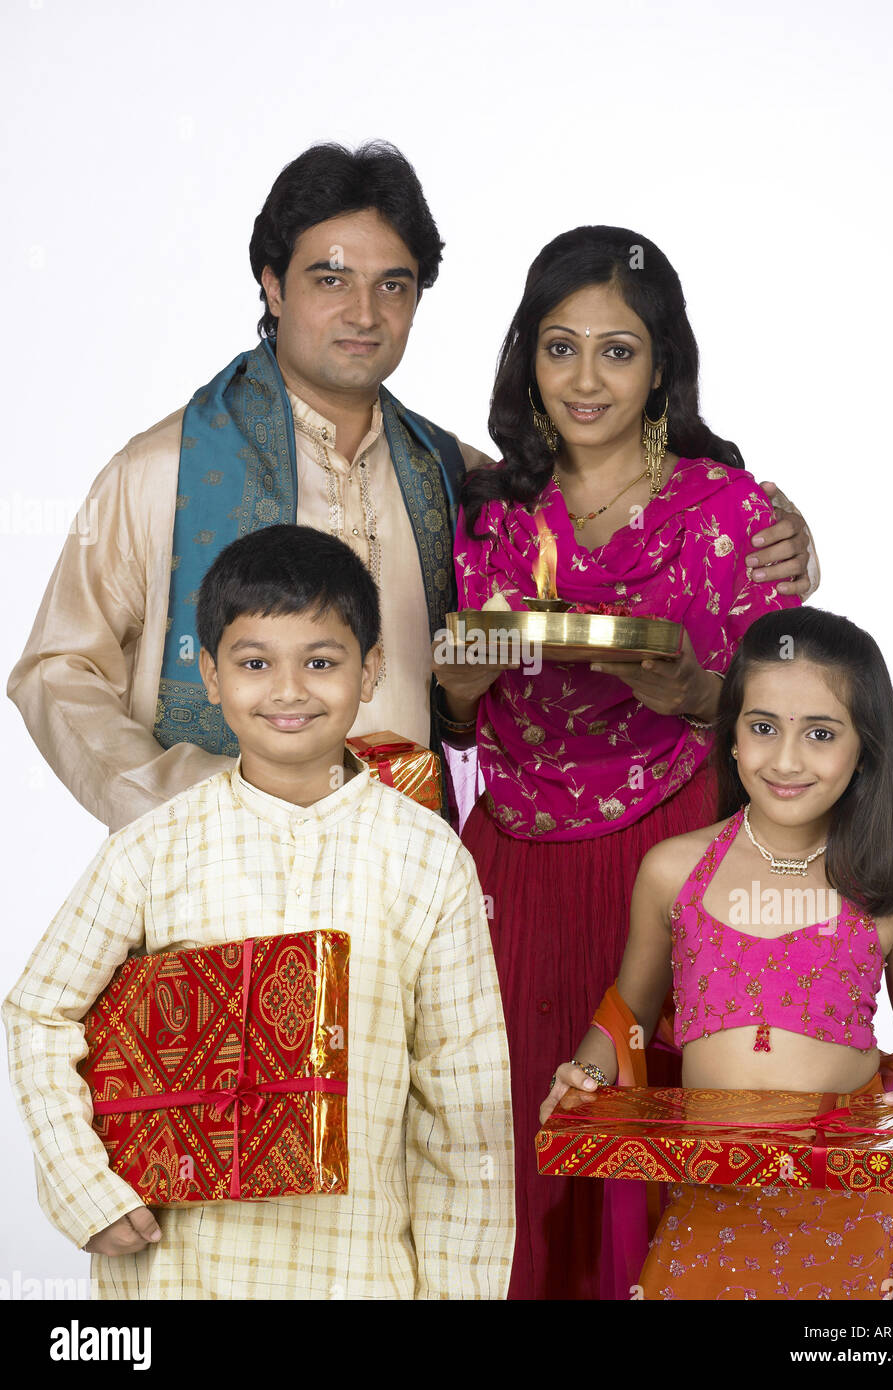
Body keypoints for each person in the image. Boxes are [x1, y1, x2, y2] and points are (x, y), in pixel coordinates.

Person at [434, 225, 813, 1299]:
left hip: (676, 852)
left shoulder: (729, 511)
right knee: (513, 1136)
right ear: (528, 357)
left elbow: (788, 723)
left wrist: (694, 692)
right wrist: (457, 683)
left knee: (660, 1139)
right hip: (512, 861)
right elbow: (456, 718)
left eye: (618, 350)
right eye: (560, 347)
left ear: (661, 365)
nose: (585, 379)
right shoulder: (491, 509)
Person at [3, 525, 515, 1299]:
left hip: (359, 1273)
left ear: (371, 669)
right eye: (254, 663)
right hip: (179, 1270)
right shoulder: (154, 847)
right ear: (210, 675)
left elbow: (462, 1100)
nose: (288, 691)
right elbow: (40, 1013)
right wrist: (85, 1190)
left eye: (321, 662)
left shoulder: (427, 858)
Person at [8, 141, 493, 834]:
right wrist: (179, 810)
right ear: (274, 286)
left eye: (392, 285)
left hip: (408, 868)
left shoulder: (456, 476)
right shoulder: (163, 469)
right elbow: (58, 668)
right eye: (331, 280)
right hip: (220, 868)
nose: (364, 314)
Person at [544, 606, 893, 1299]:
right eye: (763, 727)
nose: (786, 760)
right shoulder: (673, 872)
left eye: (820, 734)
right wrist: (583, 1077)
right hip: (708, 1194)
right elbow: (626, 1015)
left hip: (845, 1207)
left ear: (865, 747)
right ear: (732, 736)